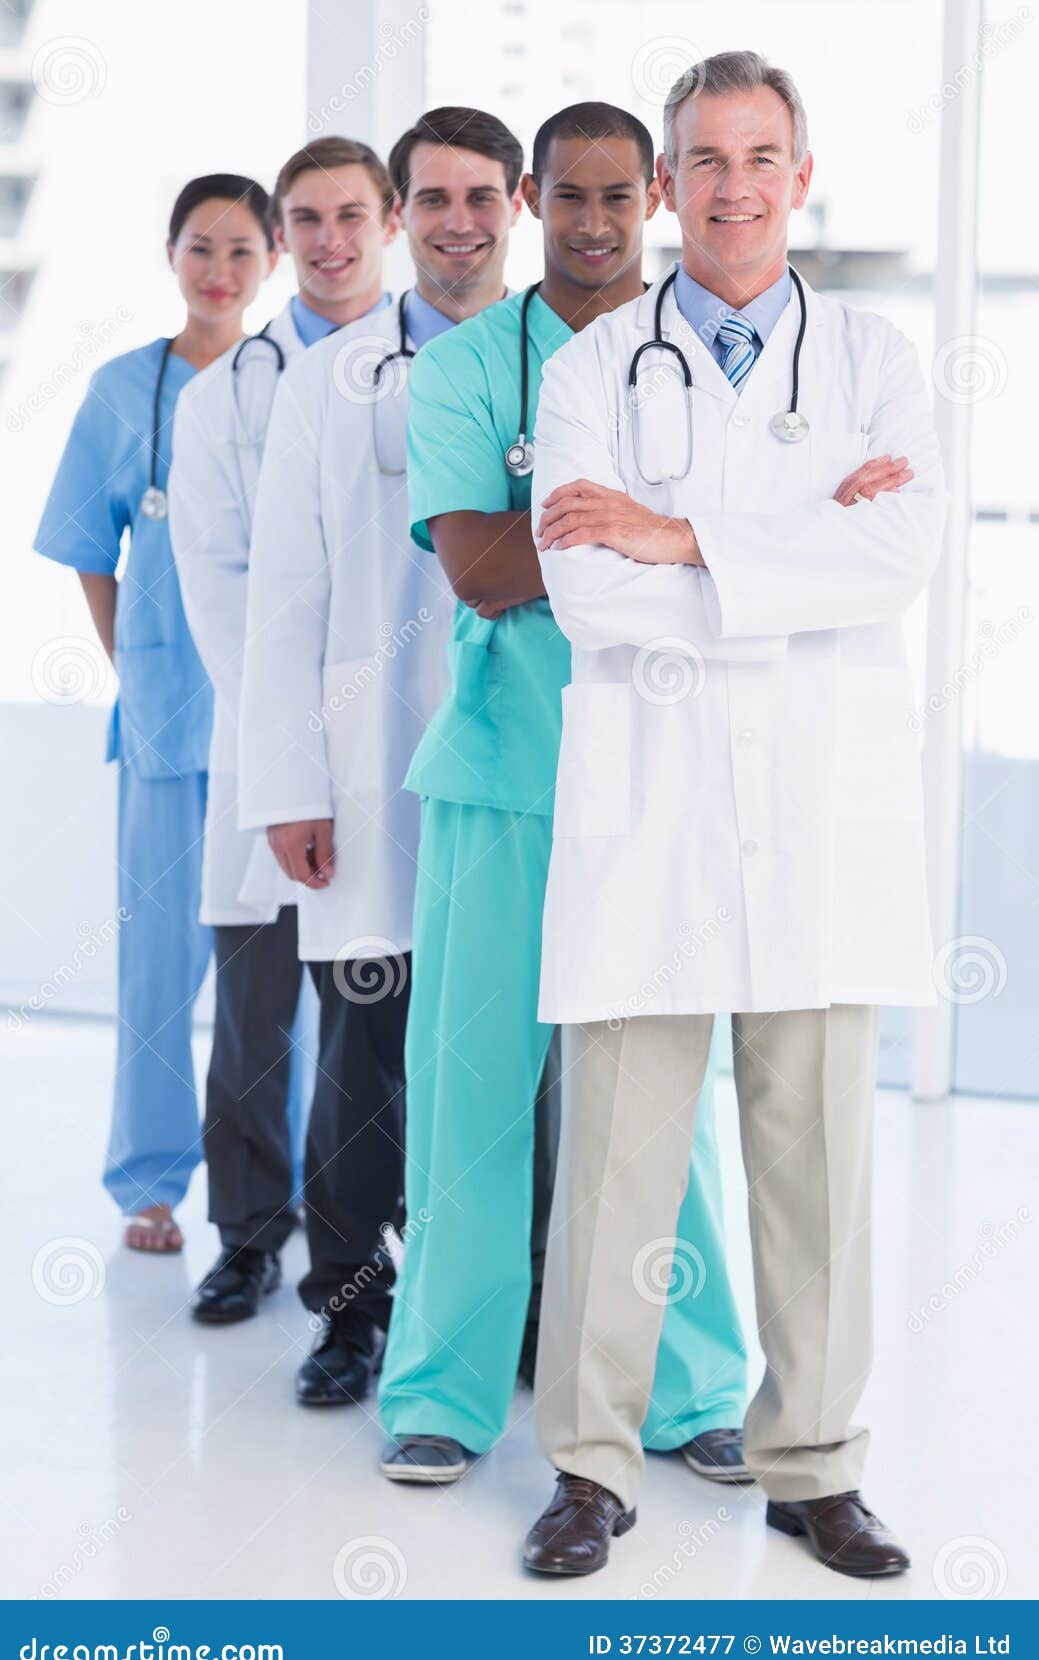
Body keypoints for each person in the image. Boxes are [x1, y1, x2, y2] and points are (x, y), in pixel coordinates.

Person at [523, 51, 946, 1578]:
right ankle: (588, 1468)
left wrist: (681, 537)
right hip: (651, 815)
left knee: (816, 1161)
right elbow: (583, 592)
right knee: (616, 1164)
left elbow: (892, 560)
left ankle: (813, 1464)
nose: (731, 187)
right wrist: (782, 557)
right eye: (701, 159)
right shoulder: (588, 372)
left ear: (800, 172)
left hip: (820, 817)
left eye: (758, 156)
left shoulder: (876, 362)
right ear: (664, 184)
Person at [378, 103, 754, 1491]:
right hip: (502, 776)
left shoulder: (703, 354)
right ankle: (439, 1395)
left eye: (618, 194)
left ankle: (691, 1386)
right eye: (570, 197)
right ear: (531, 198)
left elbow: (758, 544)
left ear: (652, 193)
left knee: (667, 1102)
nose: (594, 222)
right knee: (469, 1093)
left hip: (659, 778)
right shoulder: (472, 364)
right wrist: (655, 537)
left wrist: (633, 529)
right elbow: (475, 568)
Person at [238, 109, 523, 1407]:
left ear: (512, 204)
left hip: (527, 770)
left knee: (523, 1056)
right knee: (364, 1060)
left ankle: (514, 1309)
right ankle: (351, 1312)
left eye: (479, 196)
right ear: (401, 214)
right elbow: (282, 598)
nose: (456, 221)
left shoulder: (567, 365)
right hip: (373, 777)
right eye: (432, 199)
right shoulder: (328, 376)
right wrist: (290, 782)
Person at [168, 139, 401, 1326]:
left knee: (369, 1029)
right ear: (285, 234)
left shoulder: (427, 367)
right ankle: (248, 1237)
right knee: (255, 1020)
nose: (330, 240)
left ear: (389, 221)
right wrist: (291, 742)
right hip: (268, 752)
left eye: (351, 215)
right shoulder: (223, 397)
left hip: (383, 761)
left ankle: (359, 1265)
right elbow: (217, 584)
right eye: (306, 219)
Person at [34, 175, 276, 1254]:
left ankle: (292, 1177)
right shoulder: (121, 390)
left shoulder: (297, 381)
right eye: (200, 248)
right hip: (170, 716)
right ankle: (150, 1181)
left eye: (239, 250)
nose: (218, 272)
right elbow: (92, 547)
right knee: (159, 960)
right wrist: (136, 659)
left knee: (287, 969)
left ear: (272, 257)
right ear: (170, 254)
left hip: (273, 723)